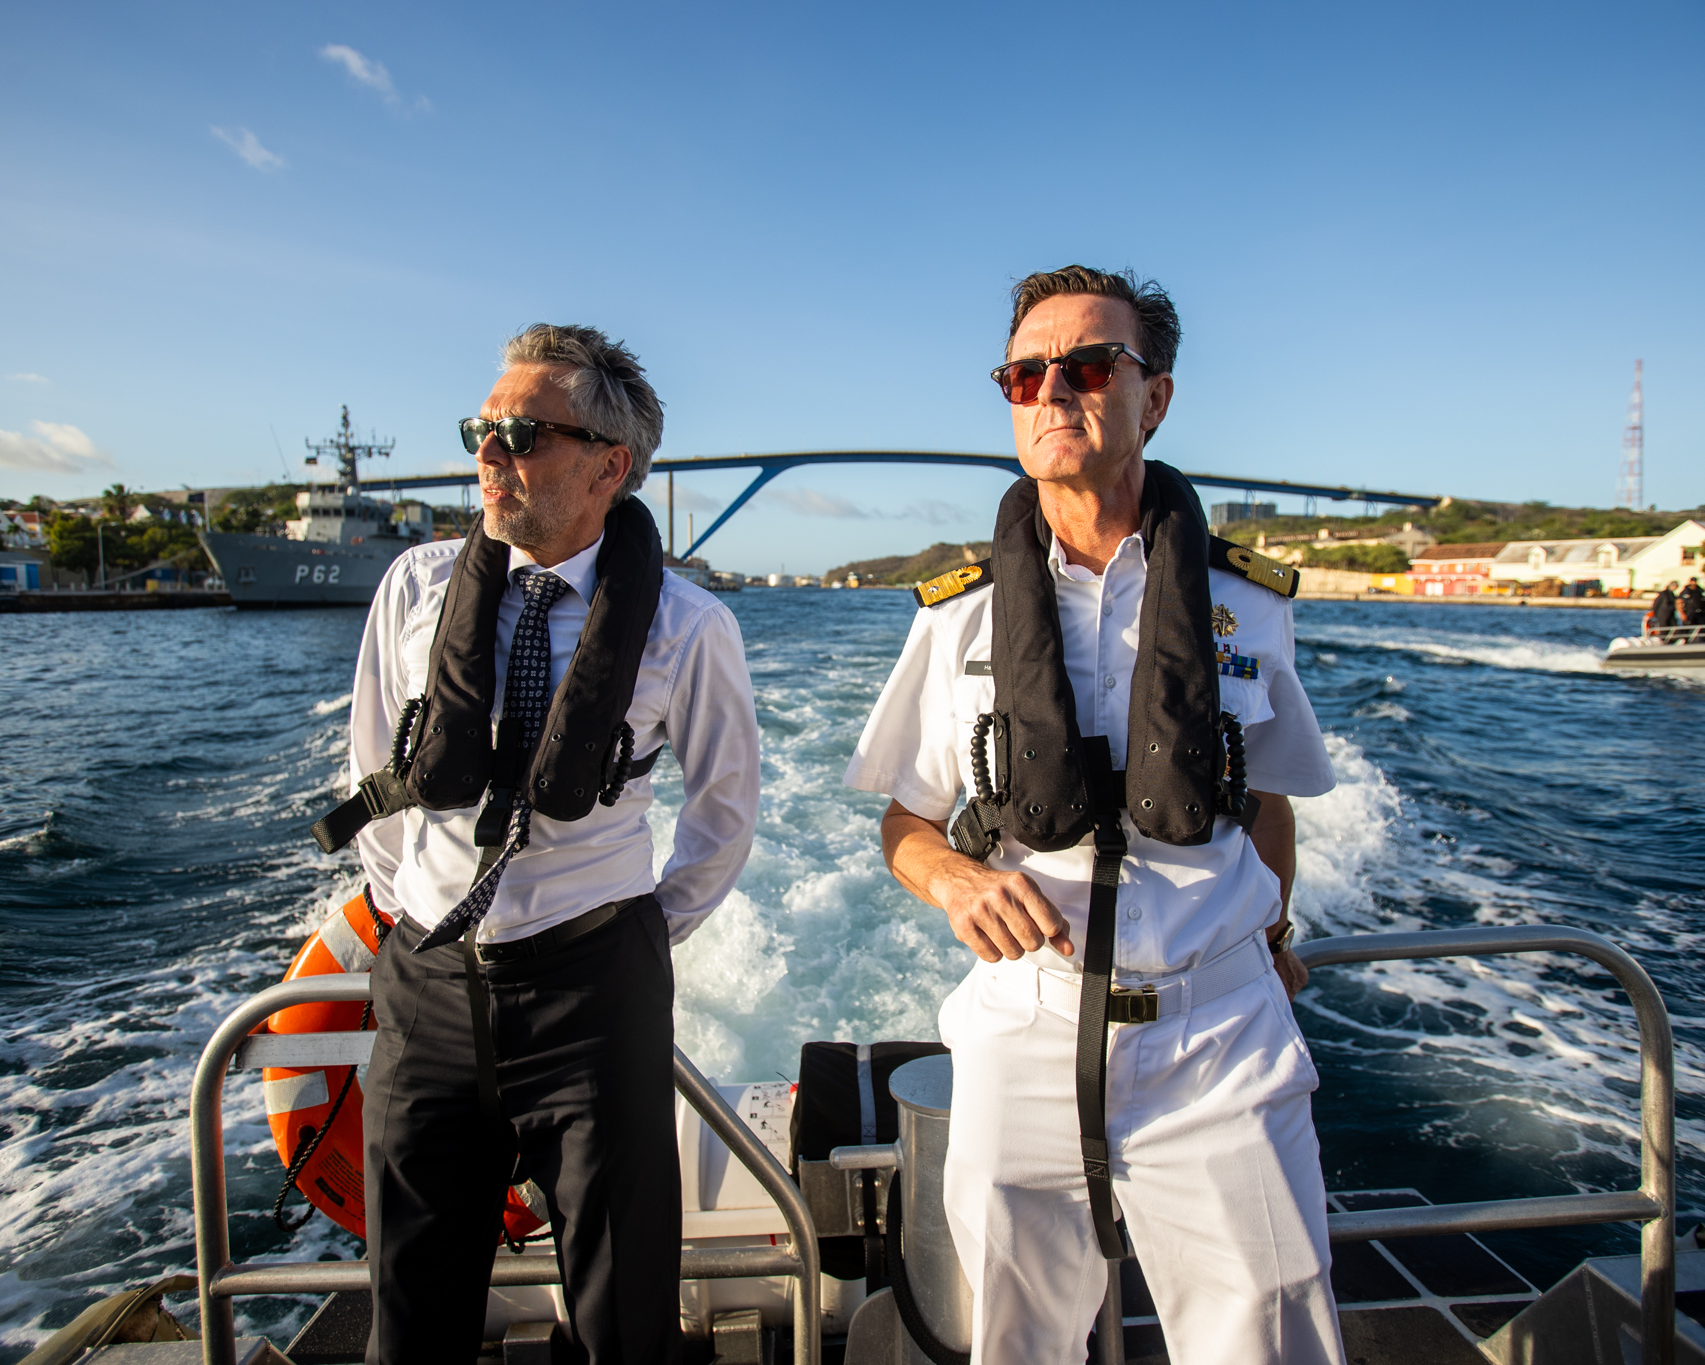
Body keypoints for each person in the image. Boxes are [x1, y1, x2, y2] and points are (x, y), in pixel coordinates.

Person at [846, 266, 1342, 1363]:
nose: (1052, 391)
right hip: (1023, 1029)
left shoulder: (1246, 604)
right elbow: (905, 822)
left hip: (1219, 1040)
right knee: (1014, 1344)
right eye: (1025, 374)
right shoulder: (958, 615)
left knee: (1269, 1342)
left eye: (1087, 366)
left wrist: (1270, 935)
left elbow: (1265, 801)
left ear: (1152, 398)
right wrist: (954, 878)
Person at [339, 324, 760, 1364]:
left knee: (624, 1319)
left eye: (523, 434)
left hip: (592, 996)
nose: (489, 453)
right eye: (480, 429)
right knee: (411, 1314)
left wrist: (631, 937)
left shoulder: (689, 626)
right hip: (428, 989)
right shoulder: (414, 589)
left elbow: (722, 816)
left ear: (609, 467)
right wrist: (411, 920)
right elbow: (372, 775)